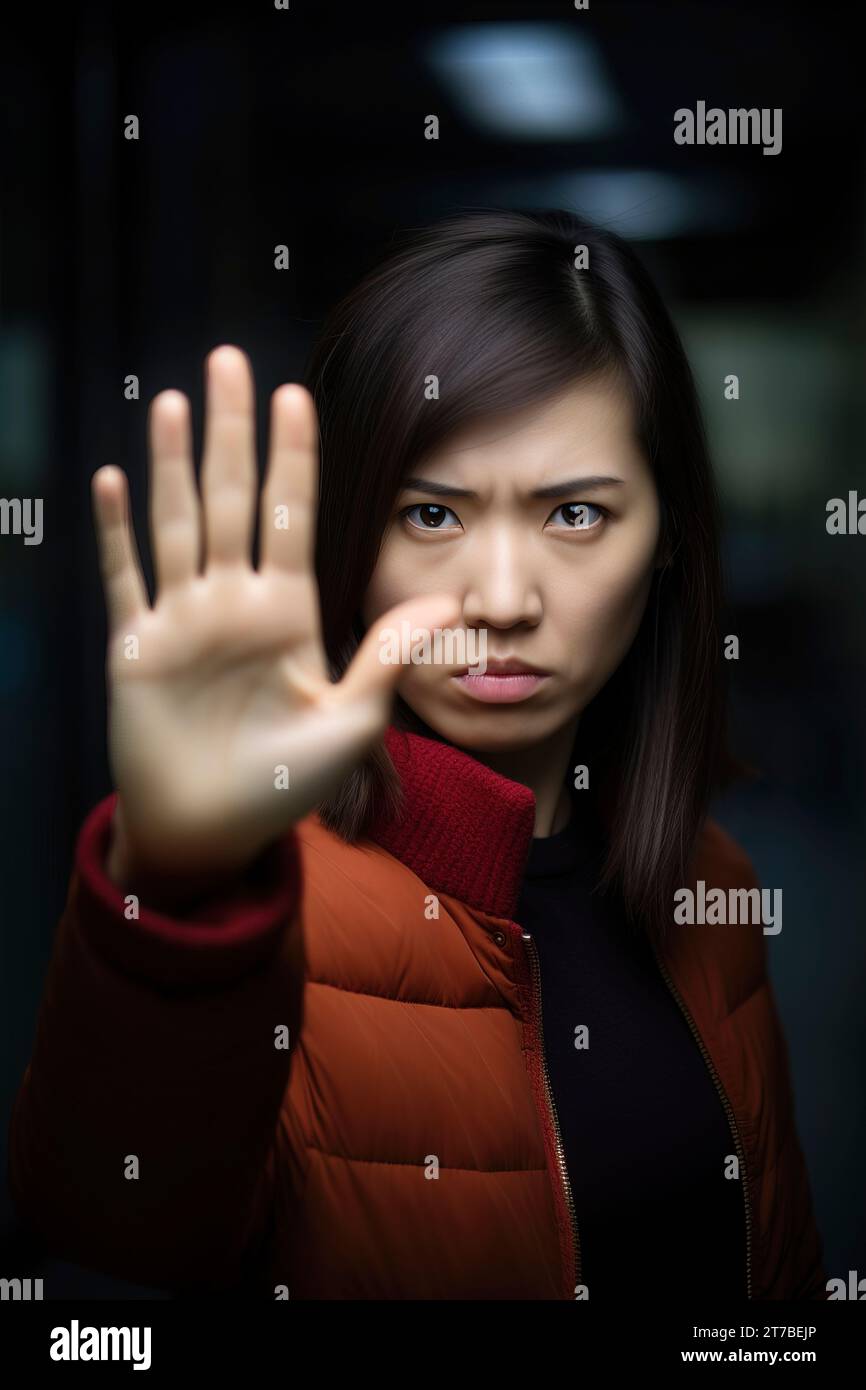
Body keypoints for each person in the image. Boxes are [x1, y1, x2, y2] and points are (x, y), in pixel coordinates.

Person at [8, 209, 826, 1300]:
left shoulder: (712, 885)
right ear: (353, 538)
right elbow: (110, 1214)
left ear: (667, 537)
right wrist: (176, 883)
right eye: (432, 515)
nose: (498, 598)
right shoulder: (265, 914)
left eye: (575, 513)